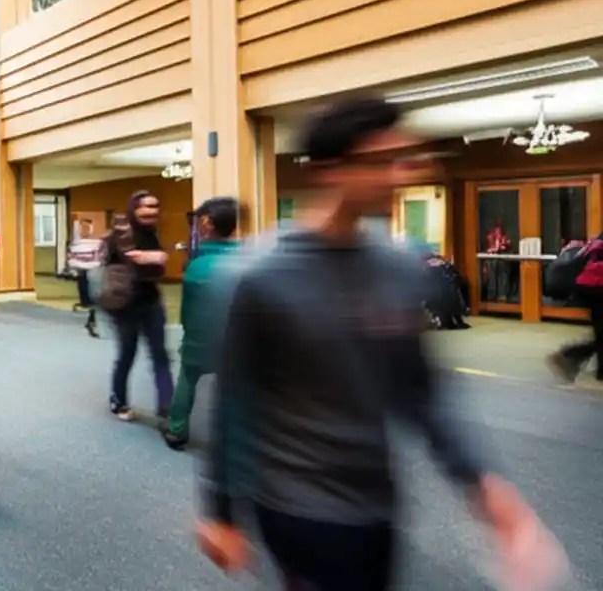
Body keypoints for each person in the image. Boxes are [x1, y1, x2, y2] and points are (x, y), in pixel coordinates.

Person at [197, 96, 557, 591]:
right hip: (295, 504)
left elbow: (421, 392)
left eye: (400, 160)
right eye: (378, 163)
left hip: (377, 502)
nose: (396, 176)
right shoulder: (260, 276)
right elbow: (235, 398)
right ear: (329, 170)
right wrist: (220, 507)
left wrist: (486, 487)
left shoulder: (400, 266)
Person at [162, 196, 238, 450]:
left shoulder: (196, 266)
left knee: (187, 379)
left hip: (201, 342)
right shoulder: (247, 262)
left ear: (206, 223)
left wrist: (190, 336)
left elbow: (187, 312)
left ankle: (176, 431)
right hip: (239, 342)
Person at [102, 191, 174, 422]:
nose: (152, 211)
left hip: (150, 301)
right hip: (125, 305)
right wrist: (150, 257)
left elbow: (156, 268)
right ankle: (118, 399)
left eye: (155, 206)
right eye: (146, 206)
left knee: (160, 355)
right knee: (127, 354)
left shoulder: (150, 233)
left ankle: (166, 405)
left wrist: (154, 258)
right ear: (134, 208)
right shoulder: (120, 234)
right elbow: (125, 261)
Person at [546, 233, 603, 384]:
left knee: (601, 331)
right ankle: (569, 357)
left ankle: (575, 360)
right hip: (596, 286)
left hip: (588, 284)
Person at [67, 217, 103, 338]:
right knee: (88, 297)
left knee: (95, 297)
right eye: (83, 228)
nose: (85, 230)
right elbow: (72, 257)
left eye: (88, 228)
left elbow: (98, 258)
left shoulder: (97, 243)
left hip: (93, 271)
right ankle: (92, 320)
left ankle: (92, 321)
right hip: (82, 271)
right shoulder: (76, 243)